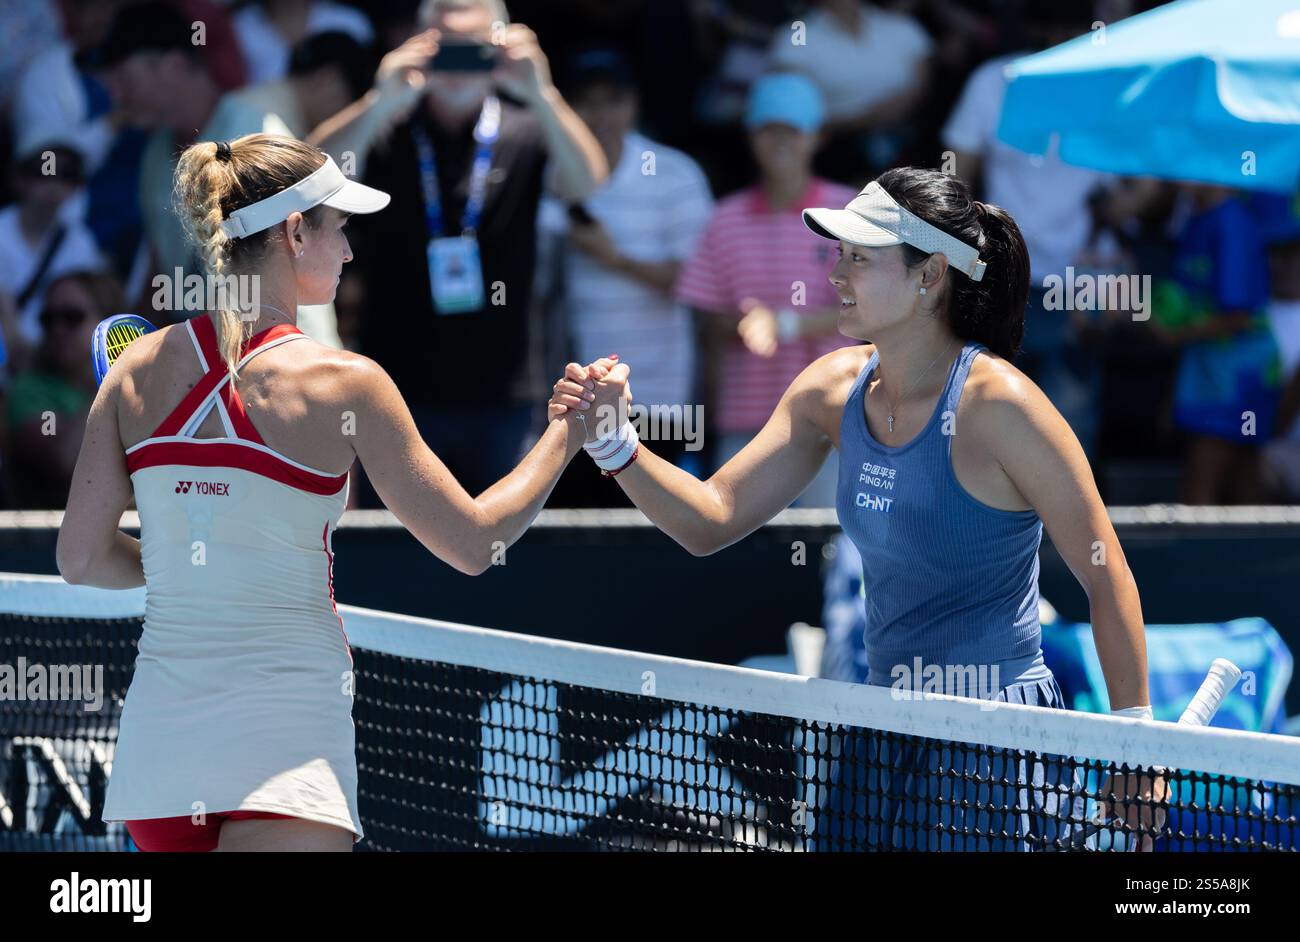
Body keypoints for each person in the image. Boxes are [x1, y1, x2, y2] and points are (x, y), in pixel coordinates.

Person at [551, 167, 1160, 849]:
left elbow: (1106, 573)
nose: (836, 274)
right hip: (880, 724)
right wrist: (615, 445)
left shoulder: (1003, 407)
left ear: (930, 276)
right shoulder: (830, 390)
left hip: (993, 735)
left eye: (860, 259)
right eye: (839, 255)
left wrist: (1136, 740)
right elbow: (710, 518)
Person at [55, 133, 596, 852]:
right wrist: (571, 430)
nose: (348, 251)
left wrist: (204, 559)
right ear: (294, 231)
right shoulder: (349, 385)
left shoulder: (134, 374)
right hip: (284, 745)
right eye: (338, 228)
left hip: (162, 756)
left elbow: (81, 560)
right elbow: (475, 542)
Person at [312, 0, 608, 499]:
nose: (457, 66)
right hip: (396, 392)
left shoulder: (527, 124)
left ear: (502, 45)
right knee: (400, 555)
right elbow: (312, 180)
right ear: (419, 43)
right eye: (445, 48)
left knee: (500, 555)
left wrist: (544, 93)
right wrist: (379, 98)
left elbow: (587, 184)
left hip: (506, 391)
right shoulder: (386, 126)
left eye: (473, 50)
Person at [540, 46, 714, 505]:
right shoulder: (550, 173)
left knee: (657, 530)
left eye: (612, 100)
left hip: (660, 399)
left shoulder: (676, 174)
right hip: (572, 396)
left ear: (633, 104)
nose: (600, 114)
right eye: (587, 101)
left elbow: (701, 281)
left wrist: (614, 258)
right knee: (577, 535)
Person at [675, 71, 858, 507]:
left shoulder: (851, 212)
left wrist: (785, 323)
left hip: (834, 419)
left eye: (793, 130)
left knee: (828, 552)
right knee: (745, 557)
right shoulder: (724, 219)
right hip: (745, 421)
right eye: (768, 129)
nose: (780, 142)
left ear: (817, 137)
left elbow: (873, 309)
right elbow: (708, 320)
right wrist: (745, 325)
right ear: (751, 137)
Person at [3, 271, 120, 508]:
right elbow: (67, 460)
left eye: (72, 317)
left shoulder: (138, 389)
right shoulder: (29, 391)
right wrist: (113, 381)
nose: (57, 329)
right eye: (48, 319)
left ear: (108, 320)